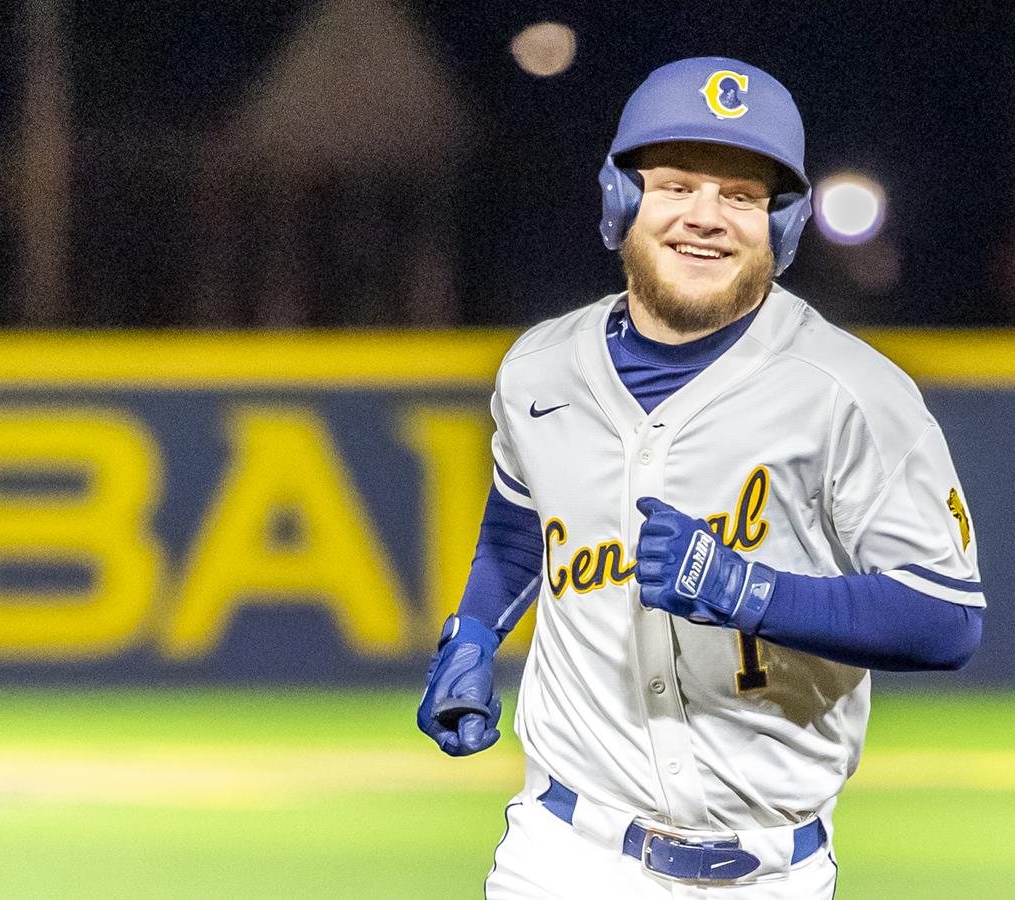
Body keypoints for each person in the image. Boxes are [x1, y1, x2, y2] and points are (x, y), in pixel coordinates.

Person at [417, 56, 985, 898]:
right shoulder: (538, 370)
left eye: (742, 197)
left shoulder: (853, 393)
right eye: (677, 185)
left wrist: (747, 590)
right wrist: (471, 635)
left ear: (781, 226)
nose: (706, 218)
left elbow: (946, 619)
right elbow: (517, 519)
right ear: (622, 202)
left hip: (770, 869)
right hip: (564, 855)